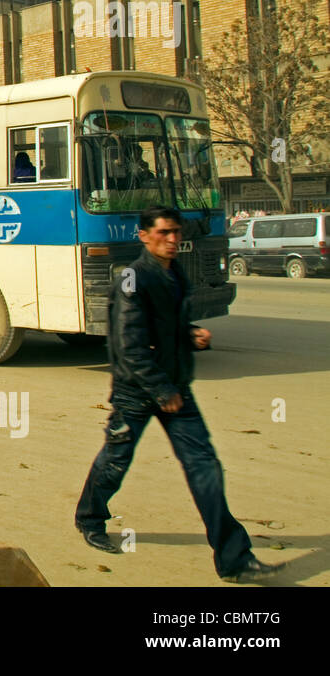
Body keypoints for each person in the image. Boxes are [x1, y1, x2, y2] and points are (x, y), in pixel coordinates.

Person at [74, 205, 281, 583]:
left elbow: (166, 327)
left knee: (206, 469)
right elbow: (128, 345)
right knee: (116, 462)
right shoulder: (132, 279)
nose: (173, 240)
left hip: (175, 389)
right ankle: (89, 517)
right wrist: (160, 389)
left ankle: (234, 559)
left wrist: (190, 335)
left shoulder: (175, 274)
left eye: (176, 232)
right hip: (137, 393)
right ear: (144, 236)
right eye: (164, 232)